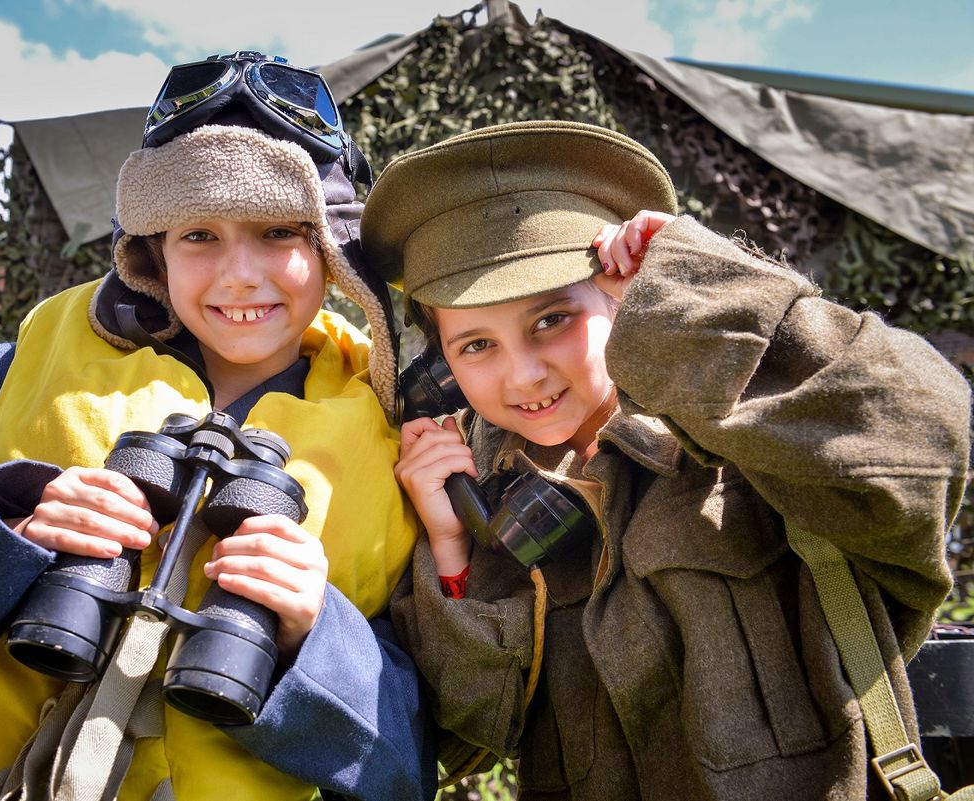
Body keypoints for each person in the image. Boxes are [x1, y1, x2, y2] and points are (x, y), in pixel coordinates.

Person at [0, 52, 434, 801]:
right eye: (198, 235)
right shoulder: (24, 359)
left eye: (278, 232)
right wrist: (3, 528)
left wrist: (313, 635)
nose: (239, 275)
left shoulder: (396, 432)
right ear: (151, 246)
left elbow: (407, 764)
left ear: (333, 249)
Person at [359, 120, 971, 800]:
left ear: (624, 300)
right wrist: (450, 550)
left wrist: (704, 290)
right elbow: (467, 732)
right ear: (441, 369)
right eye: (476, 345)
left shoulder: (754, 449)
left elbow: (924, 438)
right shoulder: (494, 515)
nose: (523, 376)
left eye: (551, 320)